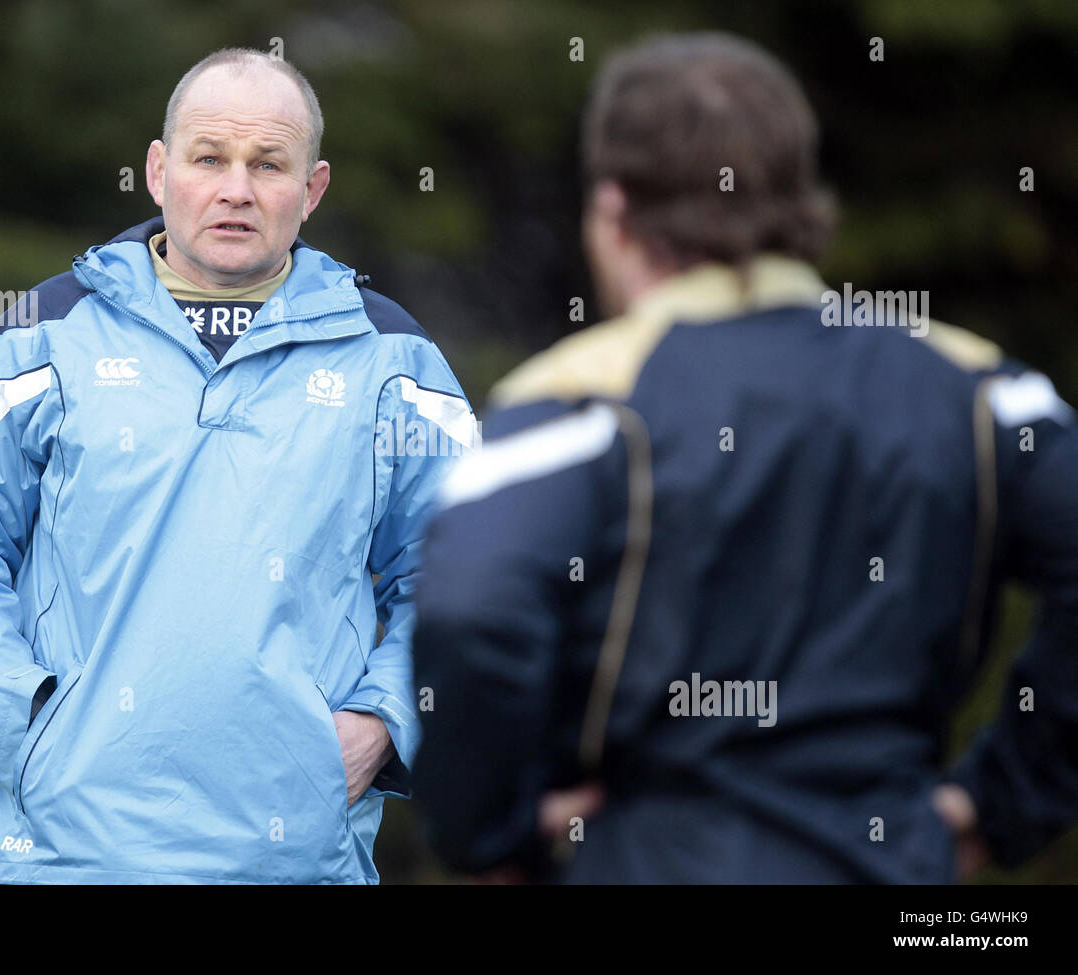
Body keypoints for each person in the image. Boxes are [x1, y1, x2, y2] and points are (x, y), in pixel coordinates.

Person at [411, 32, 1078, 883]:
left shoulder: (576, 403)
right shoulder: (981, 387)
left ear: (613, 213)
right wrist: (1005, 801)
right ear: (800, 201)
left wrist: (490, 834)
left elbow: (473, 608)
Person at [0, 47, 475, 884]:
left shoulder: (394, 358)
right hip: (68, 857)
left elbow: (461, 573)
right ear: (159, 172)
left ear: (311, 191)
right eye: (210, 158)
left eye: (268, 164)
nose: (236, 189)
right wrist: (30, 736)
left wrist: (384, 724)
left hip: (296, 859)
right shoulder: (38, 337)